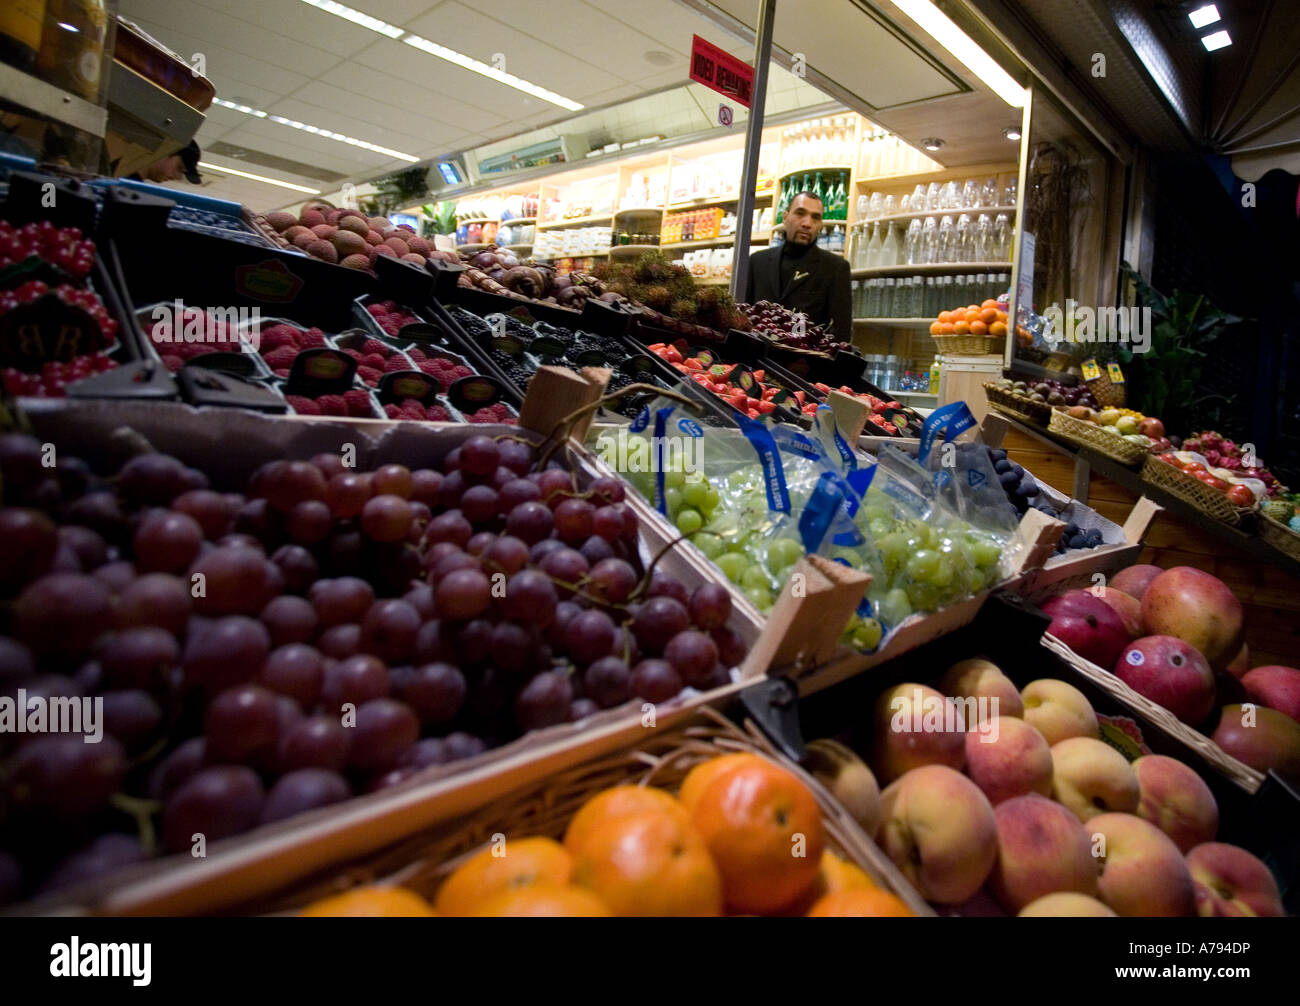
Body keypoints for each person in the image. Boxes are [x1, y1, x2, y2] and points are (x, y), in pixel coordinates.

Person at [745, 191, 852, 341]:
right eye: (800, 213)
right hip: (755, 360)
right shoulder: (757, 262)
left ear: (820, 225)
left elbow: (840, 334)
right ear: (785, 217)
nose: (807, 223)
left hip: (805, 362)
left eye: (815, 217)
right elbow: (742, 318)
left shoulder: (835, 268)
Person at [132, 140, 203, 184]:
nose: (178, 177)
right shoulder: (127, 188)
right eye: (179, 167)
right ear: (166, 152)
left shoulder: (129, 186)